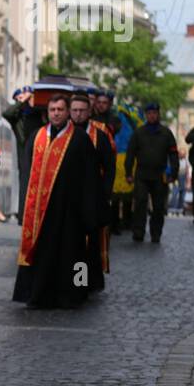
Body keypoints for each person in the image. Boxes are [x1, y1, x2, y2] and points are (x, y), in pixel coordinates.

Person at [12, 94, 99, 309]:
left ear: (67, 111)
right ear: (47, 112)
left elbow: (90, 178)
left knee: (72, 254)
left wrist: (89, 212)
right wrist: (24, 206)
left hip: (70, 210)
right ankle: (37, 295)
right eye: (52, 110)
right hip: (40, 212)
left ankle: (72, 295)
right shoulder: (37, 137)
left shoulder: (79, 139)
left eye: (60, 109)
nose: (56, 113)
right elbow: (25, 173)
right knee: (41, 254)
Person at [74, 94, 114, 292]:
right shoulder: (65, 133)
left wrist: (105, 195)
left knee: (90, 244)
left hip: (92, 198)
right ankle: (76, 282)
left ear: (90, 111)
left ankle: (87, 282)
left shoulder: (100, 134)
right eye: (75, 110)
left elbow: (109, 167)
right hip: (70, 198)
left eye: (82, 110)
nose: (78, 114)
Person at [124, 101, 178, 242]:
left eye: (154, 113)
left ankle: (156, 233)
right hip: (142, 174)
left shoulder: (166, 133)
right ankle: (138, 231)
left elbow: (173, 154)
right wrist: (128, 172)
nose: (152, 116)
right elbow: (130, 153)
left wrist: (174, 173)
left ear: (158, 114)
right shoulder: (139, 133)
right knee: (140, 204)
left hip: (159, 175)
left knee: (158, 206)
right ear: (146, 115)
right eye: (149, 113)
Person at [1, 85, 46, 223]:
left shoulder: (39, 112)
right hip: (25, 152)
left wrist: (33, 100)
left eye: (28, 96)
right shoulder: (17, 116)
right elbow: (6, 113)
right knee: (25, 184)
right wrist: (22, 101)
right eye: (20, 98)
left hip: (41, 150)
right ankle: (23, 216)